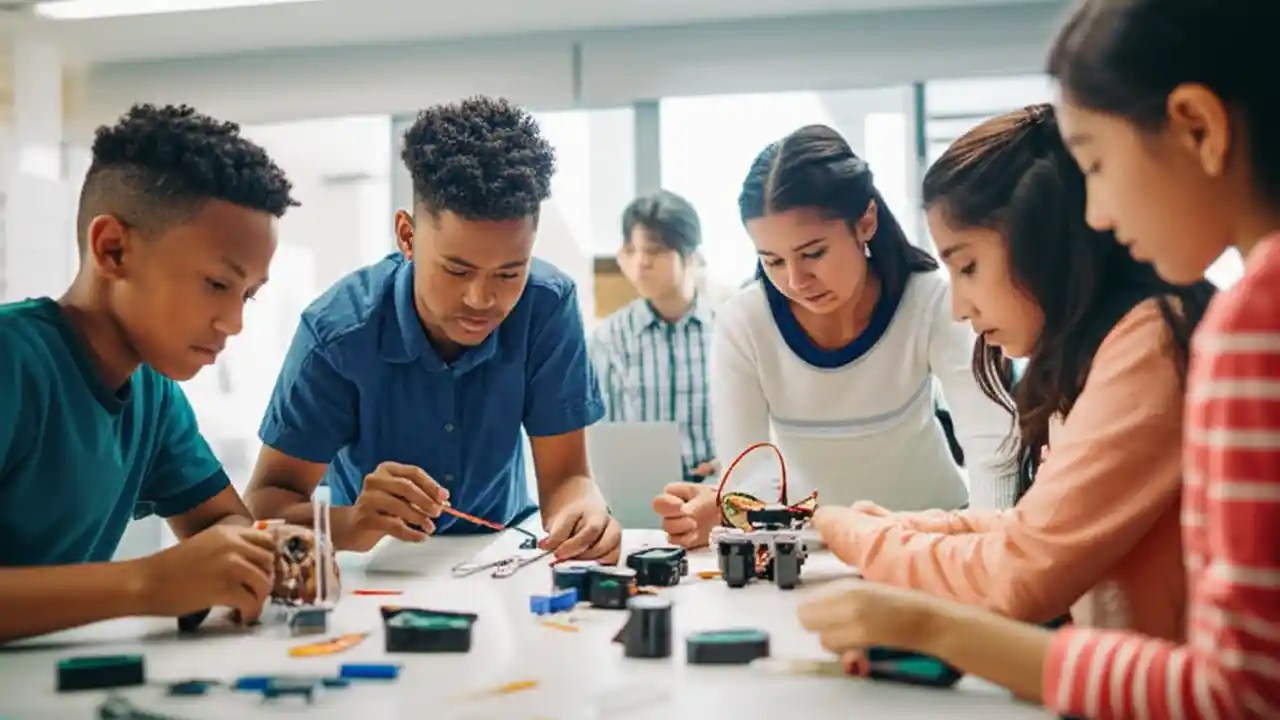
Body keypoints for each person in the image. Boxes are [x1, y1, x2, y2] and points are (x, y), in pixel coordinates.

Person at [797, 1, 1280, 717]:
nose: (1096, 216)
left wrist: (926, 620)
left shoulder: (1232, 324)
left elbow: (1238, 690)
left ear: (1199, 128)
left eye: (1097, 164)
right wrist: (886, 529)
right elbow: (1041, 533)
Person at [812, 104, 1213, 638]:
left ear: (1044, 241)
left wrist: (862, 537)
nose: (959, 306)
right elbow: (1043, 526)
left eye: (969, 266)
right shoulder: (1096, 354)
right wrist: (910, 526)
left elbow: (1022, 572)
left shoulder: (1151, 344)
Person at [245, 97, 621, 563]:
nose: (481, 300)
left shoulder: (547, 304)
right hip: (368, 565)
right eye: (457, 270)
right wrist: (351, 522)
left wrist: (582, 514)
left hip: (500, 557)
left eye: (509, 273)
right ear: (407, 236)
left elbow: (567, 477)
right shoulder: (337, 333)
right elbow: (263, 505)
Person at [0, 104, 297, 642]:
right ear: (112, 249)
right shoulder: (12, 362)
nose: (233, 322)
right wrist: (144, 585)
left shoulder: (153, 393)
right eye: (216, 284)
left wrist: (249, 559)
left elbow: (224, 526)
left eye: (248, 295)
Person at [654, 124, 1017, 549]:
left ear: (865, 222)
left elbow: (991, 439)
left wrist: (992, 543)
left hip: (932, 538)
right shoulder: (744, 322)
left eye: (813, 254)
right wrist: (727, 513)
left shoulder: (930, 299)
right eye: (772, 260)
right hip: (810, 548)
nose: (796, 280)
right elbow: (749, 472)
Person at [590, 190, 716, 484]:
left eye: (655, 250)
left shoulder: (725, 331)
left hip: (718, 493)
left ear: (689, 257)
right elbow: (601, 434)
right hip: (640, 497)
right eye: (631, 250)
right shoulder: (609, 339)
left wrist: (734, 462)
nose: (641, 263)